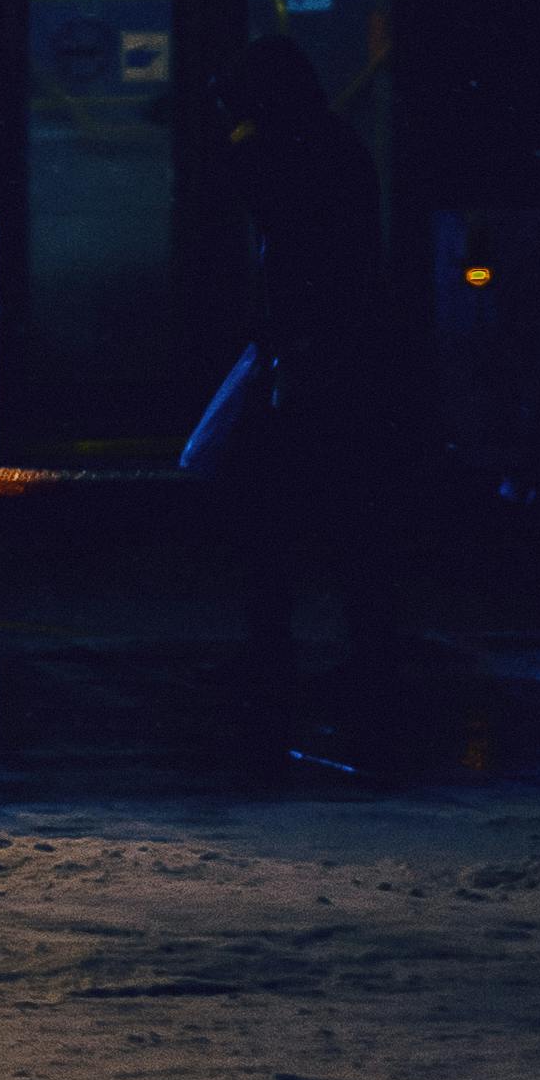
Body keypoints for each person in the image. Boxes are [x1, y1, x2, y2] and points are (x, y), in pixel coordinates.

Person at [181, 34, 420, 663]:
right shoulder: (330, 145)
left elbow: (261, 206)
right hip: (330, 351)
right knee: (331, 508)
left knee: (287, 504)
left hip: (316, 355)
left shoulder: (291, 157)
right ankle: (361, 634)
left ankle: (285, 634)